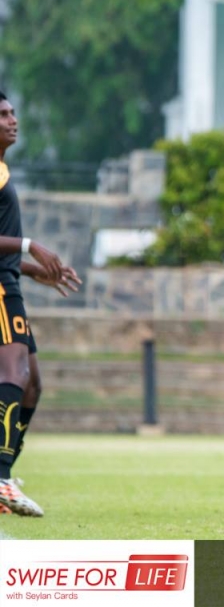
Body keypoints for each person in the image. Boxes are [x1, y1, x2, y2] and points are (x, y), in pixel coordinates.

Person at [0, 94, 82, 517]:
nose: (13, 119)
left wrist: (34, 270)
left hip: (10, 281)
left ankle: (5, 473)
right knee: (14, 370)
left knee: (32, 384)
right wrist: (32, 246)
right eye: (3, 114)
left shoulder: (1, 170)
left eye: (13, 111)